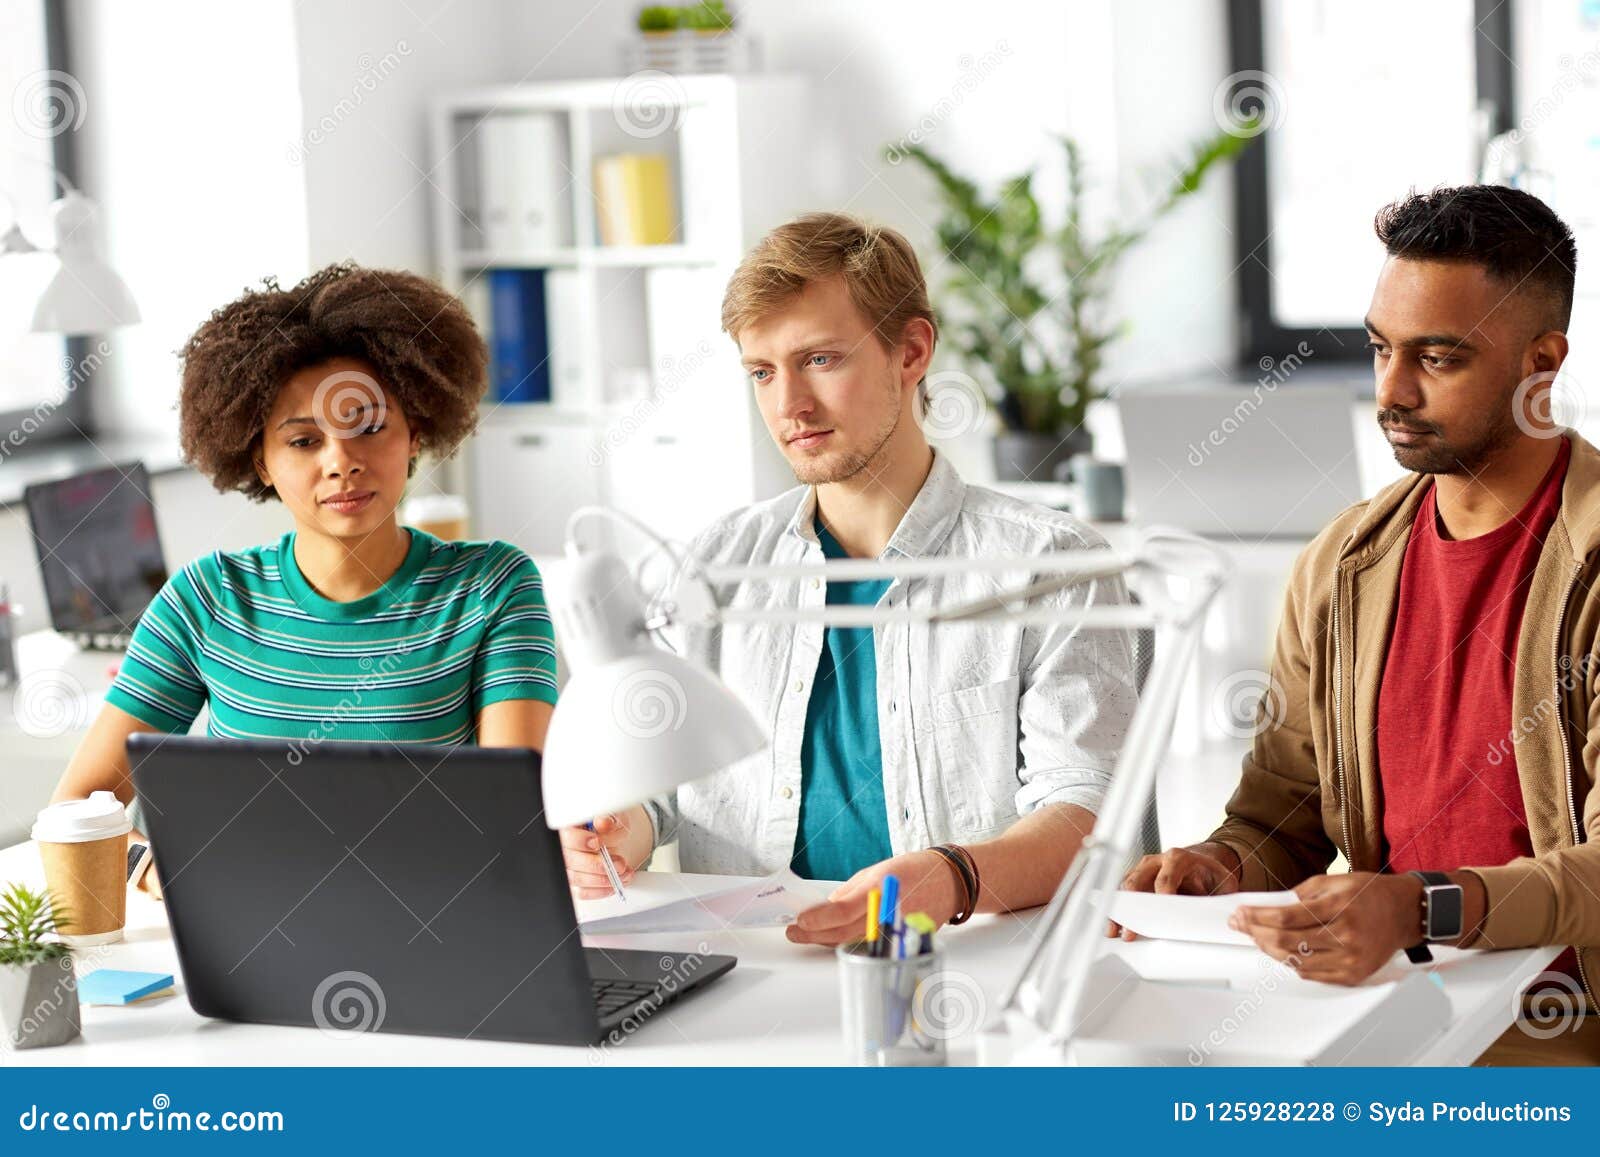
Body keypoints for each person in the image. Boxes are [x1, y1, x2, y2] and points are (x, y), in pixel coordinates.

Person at [1116, 185, 1599, 1064]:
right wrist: (1224, 864)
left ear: (1542, 362)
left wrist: (1422, 906)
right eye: (1381, 349)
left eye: (1437, 358)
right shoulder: (1342, 564)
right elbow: (1281, 814)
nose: (1392, 390)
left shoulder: (1590, 562)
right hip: (1389, 1018)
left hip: (1563, 1037)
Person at [562, 212, 1138, 946]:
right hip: (751, 963)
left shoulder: (1049, 567)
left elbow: (1088, 811)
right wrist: (625, 829)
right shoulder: (715, 568)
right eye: (762, 372)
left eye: (820, 359)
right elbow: (669, 786)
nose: (789, 406)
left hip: (959, 964)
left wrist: (951, 877)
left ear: (912, 351)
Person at [51, 263, 559, 893]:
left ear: (415, 434)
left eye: (368, 427)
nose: (341, 461)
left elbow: (514, 820)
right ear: (260, 460)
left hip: (433, 918)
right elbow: (76, 809)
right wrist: (154, 869)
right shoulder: (205, 600)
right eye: (302, 441)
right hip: (248, 927)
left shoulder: (493, 587)